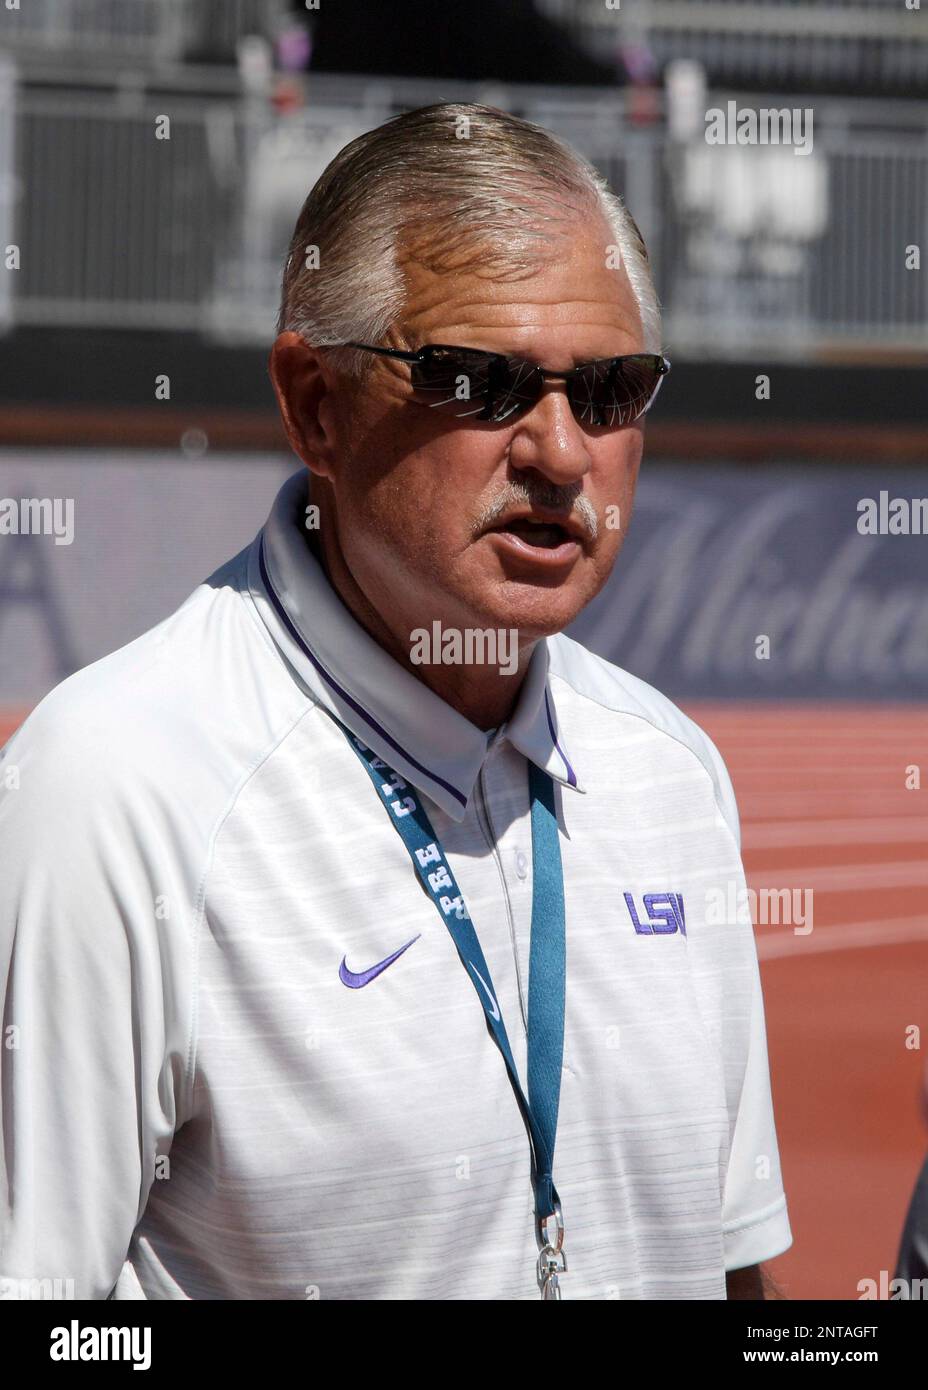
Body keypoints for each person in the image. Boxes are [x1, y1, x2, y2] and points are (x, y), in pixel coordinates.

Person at [0, 103, 791, 1300]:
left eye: (612, 389)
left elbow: (734, 1275)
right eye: (481, 381)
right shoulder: (114, 788)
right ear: (314, 404)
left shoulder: (671, 772)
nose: (563, 453)